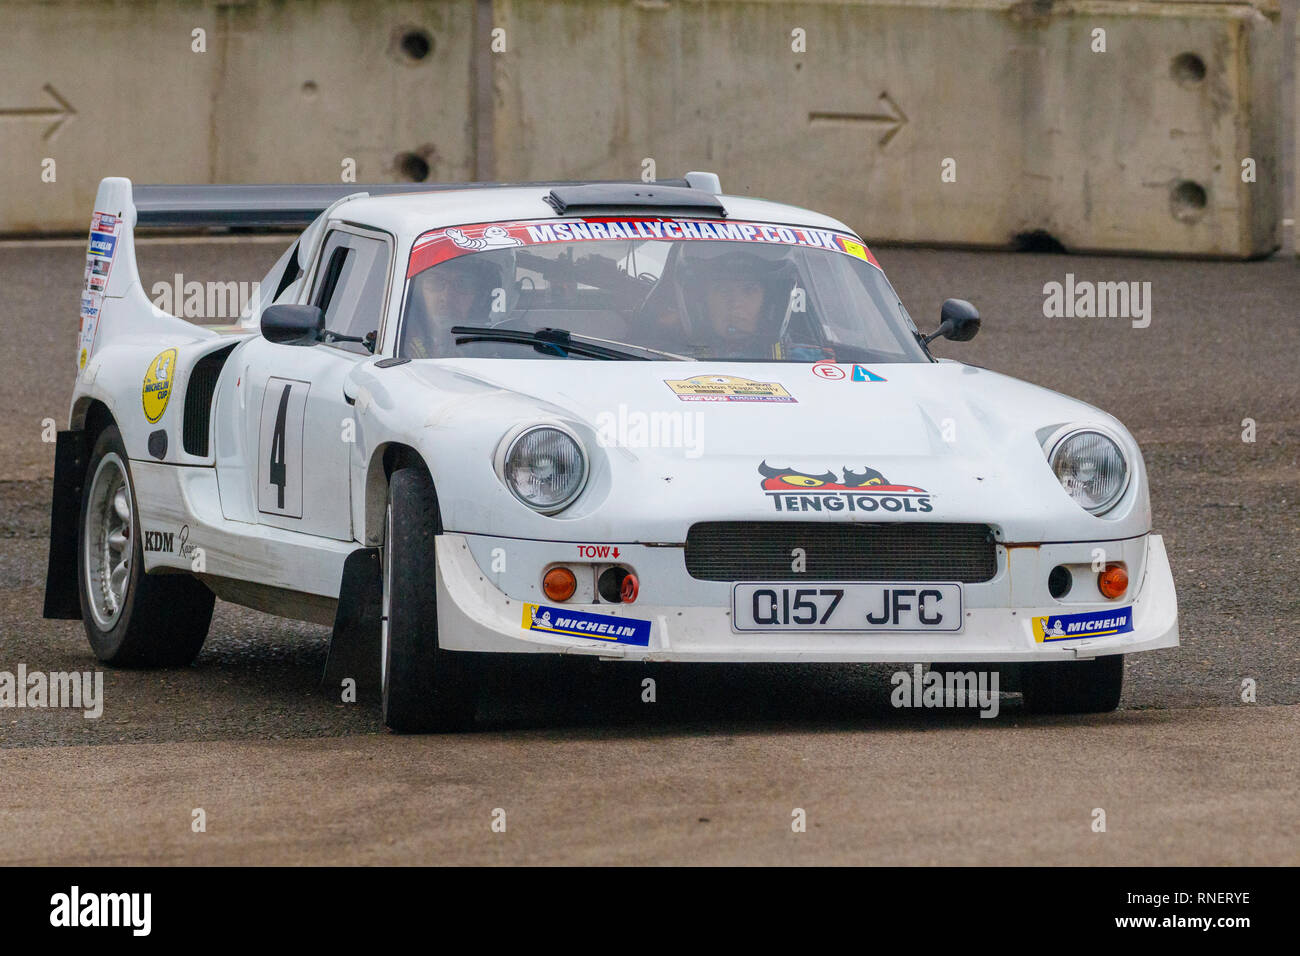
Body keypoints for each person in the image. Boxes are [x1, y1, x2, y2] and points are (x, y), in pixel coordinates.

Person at [648, 243, 792, 358]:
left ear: (767, 303)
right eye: (723, 290)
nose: (736, 303)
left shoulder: (802, 361)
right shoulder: (658, 358)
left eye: (749, 290)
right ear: (701, 304)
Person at [402, 254, 503, 358]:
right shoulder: (396, 341)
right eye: (435, 282)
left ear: (480, 298)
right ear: (419, 291)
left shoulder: (490, 355)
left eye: (463, 284)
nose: (446, 297)